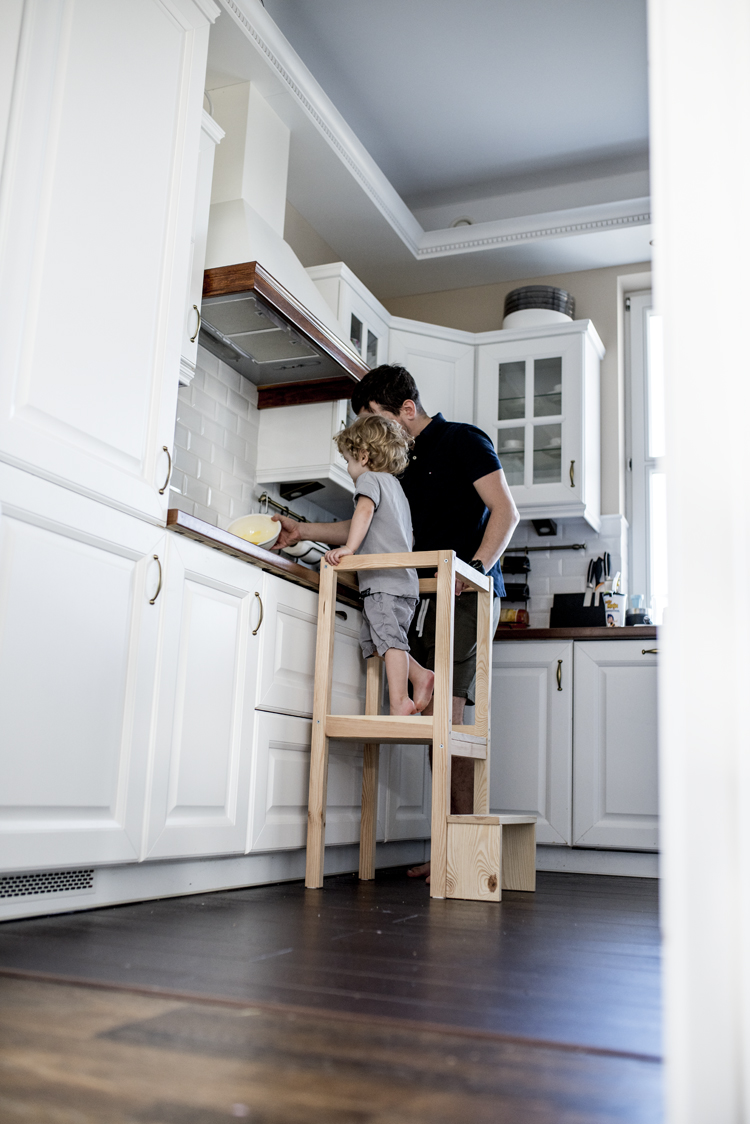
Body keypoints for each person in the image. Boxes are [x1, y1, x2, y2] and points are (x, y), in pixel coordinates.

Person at [273, 365, 520, 879]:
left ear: (407, 409)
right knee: (436, 726)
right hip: (418, 591)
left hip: (464, 592)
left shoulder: (463, 442)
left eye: (377, 419)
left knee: (450, 721)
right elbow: (368, 520)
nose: (373, 434)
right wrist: (304, 530)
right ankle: (449, 845)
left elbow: (505, 512)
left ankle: (462, 853)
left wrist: (474, 569)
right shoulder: (395, 463)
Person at [323, 414, 434, 716]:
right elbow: (408, 536)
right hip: (402, 582)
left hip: (384, 582)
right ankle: (419, 675)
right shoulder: (397, 488)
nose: (348, 468)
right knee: (378, 641)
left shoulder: (369, 479)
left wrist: (349, 548)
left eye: (348, 460)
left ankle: (400, 700)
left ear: (363, 455)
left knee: (390, 642)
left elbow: (364, 511)